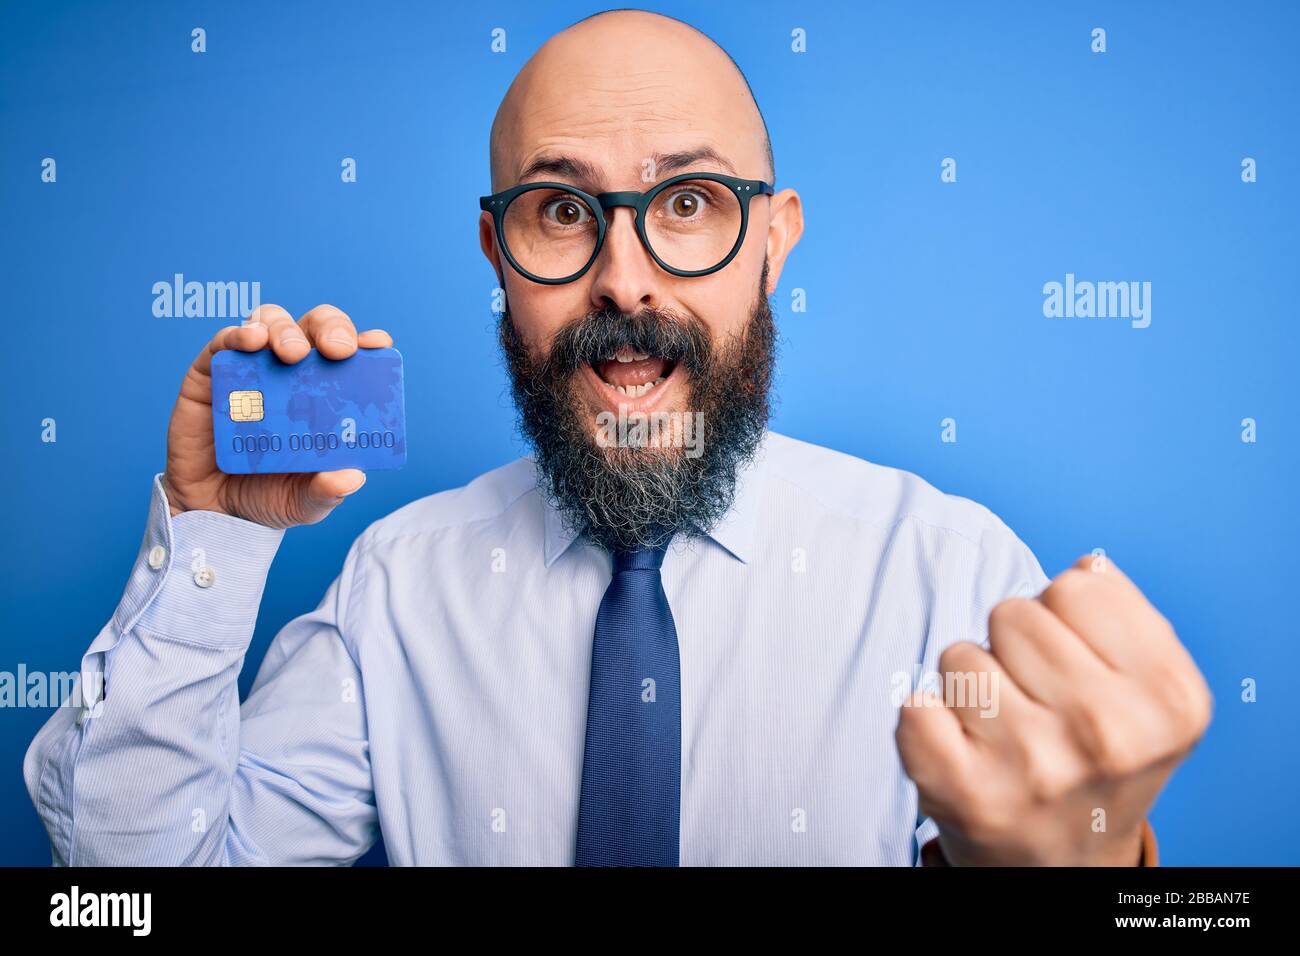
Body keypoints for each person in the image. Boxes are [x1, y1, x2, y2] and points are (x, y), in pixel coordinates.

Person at [25, 9, 1210, 866]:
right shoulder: (398, 586)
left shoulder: (948, 573)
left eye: (686, 204)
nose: (625, 279)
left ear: (772, 240)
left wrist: (1088, 864)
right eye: (560, 211)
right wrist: (213, 540)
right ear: (499, 258)